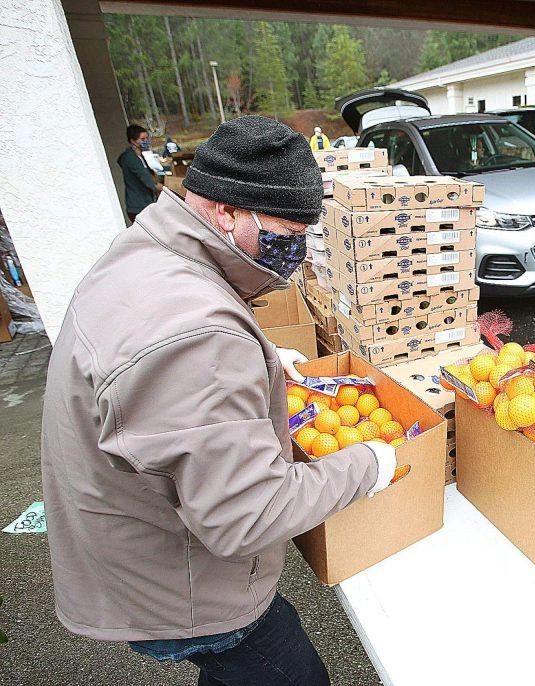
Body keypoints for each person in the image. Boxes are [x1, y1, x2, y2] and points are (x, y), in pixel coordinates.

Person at [41, 115, 398, 685]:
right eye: (285, 233)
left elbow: (159, 373)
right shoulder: (197, 338)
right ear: (226, 211)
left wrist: (256, 359)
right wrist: (370, 464)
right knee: (287, 673)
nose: (297, 251)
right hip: (181, 592)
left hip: (127, 545)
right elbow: (248, 516)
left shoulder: (147, 249)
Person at [117, 124, 162, 223]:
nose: (146, 141)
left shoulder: (139, 156)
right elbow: (146, 179)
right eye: (142, 139)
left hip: (145, 203)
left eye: (147, 138)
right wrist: (166, 189)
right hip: (139, 207)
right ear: (133, 141)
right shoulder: (130, 158)